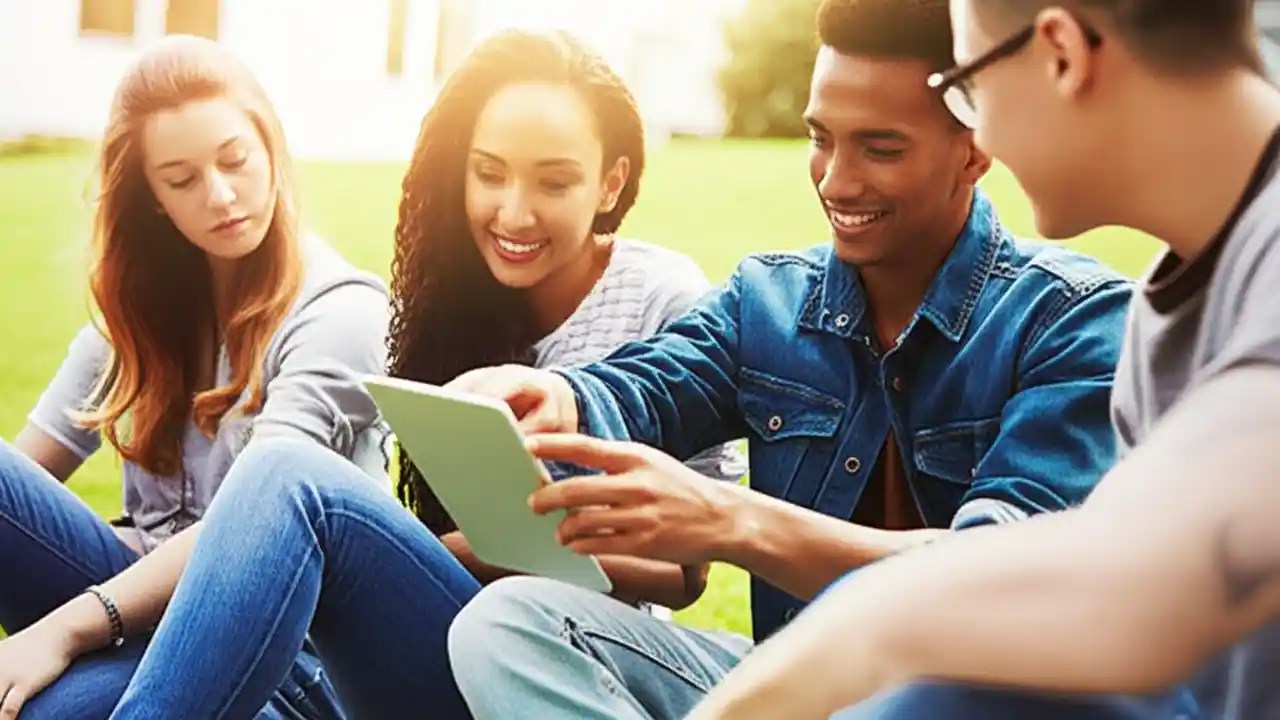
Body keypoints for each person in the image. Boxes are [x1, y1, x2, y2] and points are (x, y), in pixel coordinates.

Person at [440, 1, 1131, 718]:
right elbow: (650, 385)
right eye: (821, 138)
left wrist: (730, 519)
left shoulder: (1073, 320)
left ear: (975, 149)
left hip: (956, 700)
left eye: (880, 148)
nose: (836, 180)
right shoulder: (767, 300)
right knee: (510, 620)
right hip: (789, 687)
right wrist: (556, 395)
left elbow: (999, 581)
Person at [104, 29, 742, 720]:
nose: (514, 212)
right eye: (490, 174)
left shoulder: (662, 298)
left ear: (611, 181)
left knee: (288, 475)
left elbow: (686, 576)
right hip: (441, 630)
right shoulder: (442, 305)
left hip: (565, 656)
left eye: (553, 181)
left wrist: (482, 552)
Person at [687, 0, 1280, 718]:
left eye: (969, 85)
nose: (981, 134)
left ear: (1061, 52)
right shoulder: (1185, 293)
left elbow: (1113, 596)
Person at [0, 36, 390, 719]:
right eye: (180, 179)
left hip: (285, 650)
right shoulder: (144, 313)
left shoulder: (342, 314)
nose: (220, 195)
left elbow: (258, 528)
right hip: (137, 609)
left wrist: (59, 630)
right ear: (151, 197)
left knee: (49, 713)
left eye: (235, 160)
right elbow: (20, 485)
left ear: (271, 147)